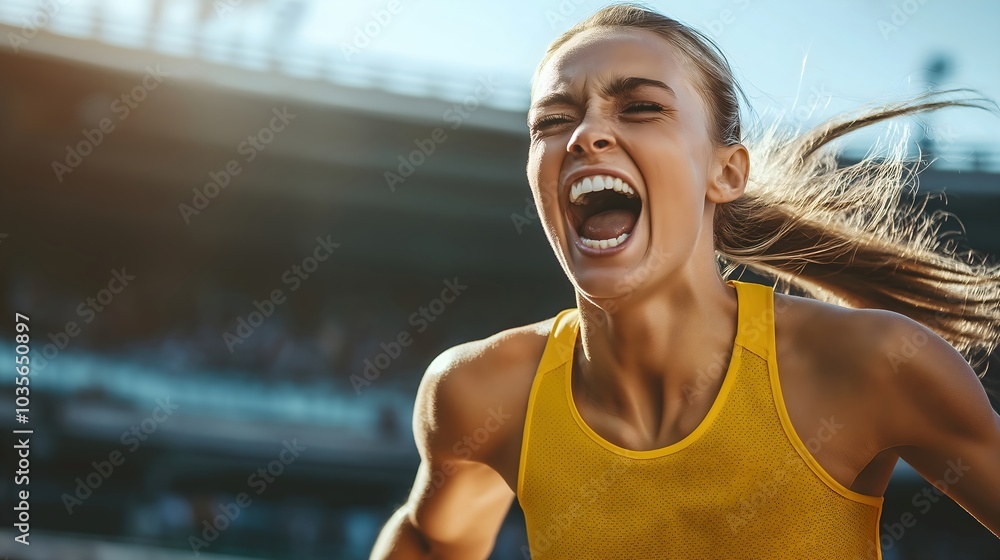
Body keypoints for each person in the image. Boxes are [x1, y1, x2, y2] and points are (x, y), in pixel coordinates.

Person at [370, 3, 1000, 558]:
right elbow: (431, 542)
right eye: (551, 121)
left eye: (641, 107)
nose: (585, 134)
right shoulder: (482, 395)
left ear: (726, 173)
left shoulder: (872, 366)